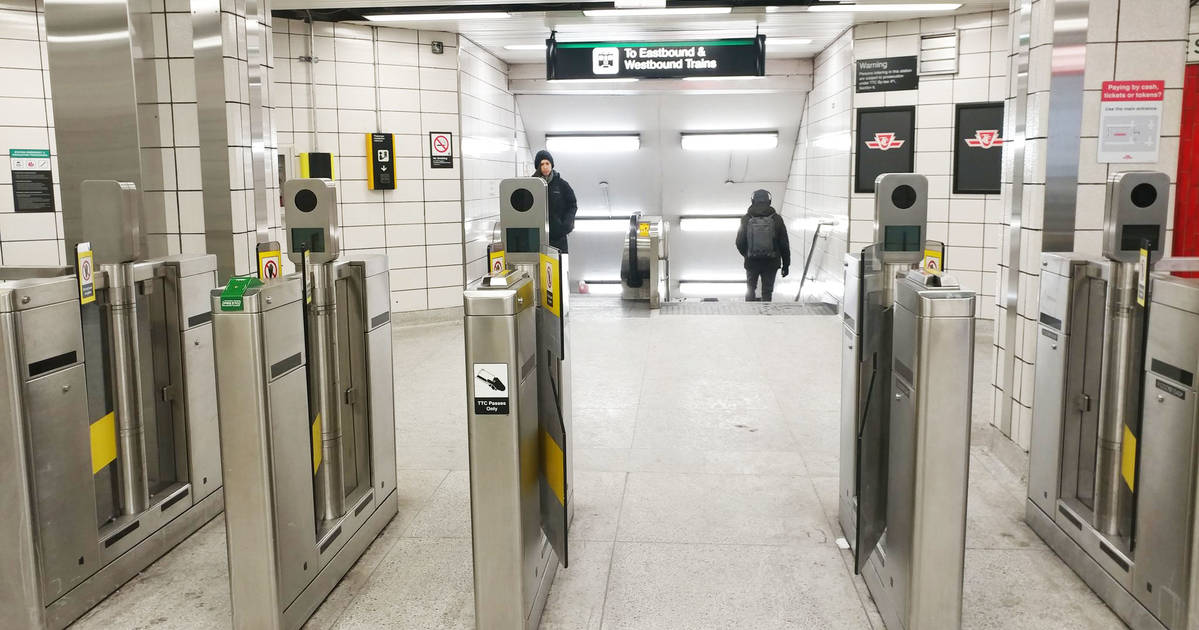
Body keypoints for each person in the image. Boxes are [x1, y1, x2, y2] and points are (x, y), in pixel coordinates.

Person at [735, 189, 791, 302]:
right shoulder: (777, 219)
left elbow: (739, 242)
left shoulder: (746, 219)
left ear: (752, 201)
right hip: (771, 261)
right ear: (769, 201)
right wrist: (786, 265)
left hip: (751, 261)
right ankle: (766, 316)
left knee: (750, 288)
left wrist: (748, 253)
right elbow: (784, 244)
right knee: (767, 290)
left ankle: (750, 314)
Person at [533, 149, 578, 253]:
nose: (545, 167)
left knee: (559, 266)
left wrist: (567, 224)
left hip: (558, 237)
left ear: (551, 165)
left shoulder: (562, 185)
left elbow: (572, 205)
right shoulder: (532, 184)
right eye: (542, 164)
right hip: (537, 237)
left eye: (547, 163)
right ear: (538, 167)